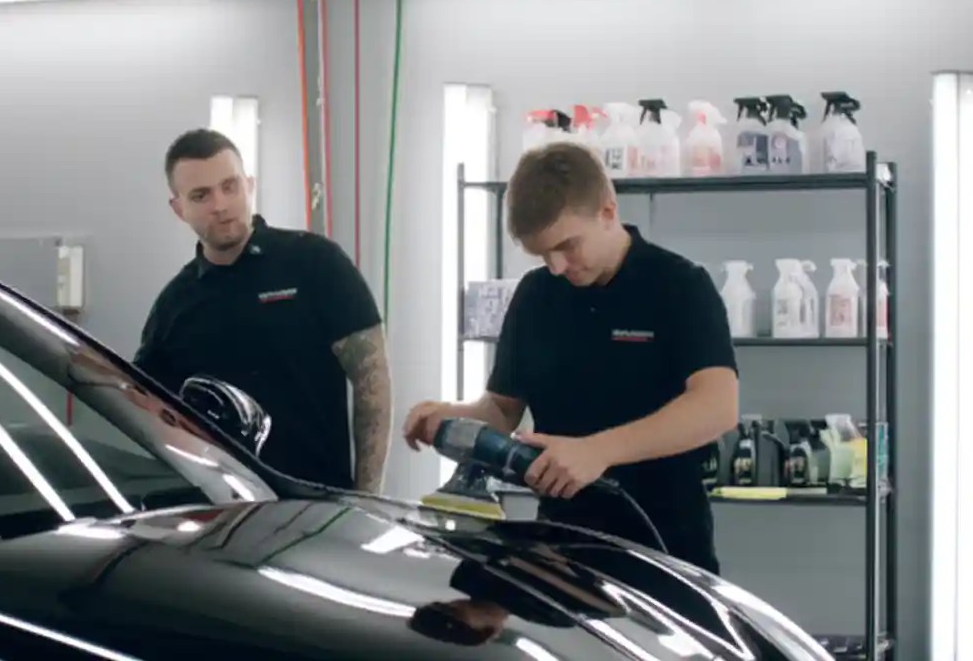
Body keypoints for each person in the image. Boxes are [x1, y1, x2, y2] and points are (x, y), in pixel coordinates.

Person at [403, 141, 738, 573]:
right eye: (543, 254)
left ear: (608, 211)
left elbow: (717, 407)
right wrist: (449, 418)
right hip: (561, 549)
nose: (557, 266)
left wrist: (597, 451)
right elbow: (502, 410)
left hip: (667, 549)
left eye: (568, 246)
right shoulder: (536, 295)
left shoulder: (679, 286)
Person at [134, 128, 392, 493]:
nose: (221, 204)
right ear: (179, 208)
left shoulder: (314, 262)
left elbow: (372, 379)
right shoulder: (175, 304)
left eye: (230, 186)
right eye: (201, 195)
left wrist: (367, 497)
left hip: (315, 504)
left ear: (249, 185)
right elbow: (145, 409)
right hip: (219, 513)